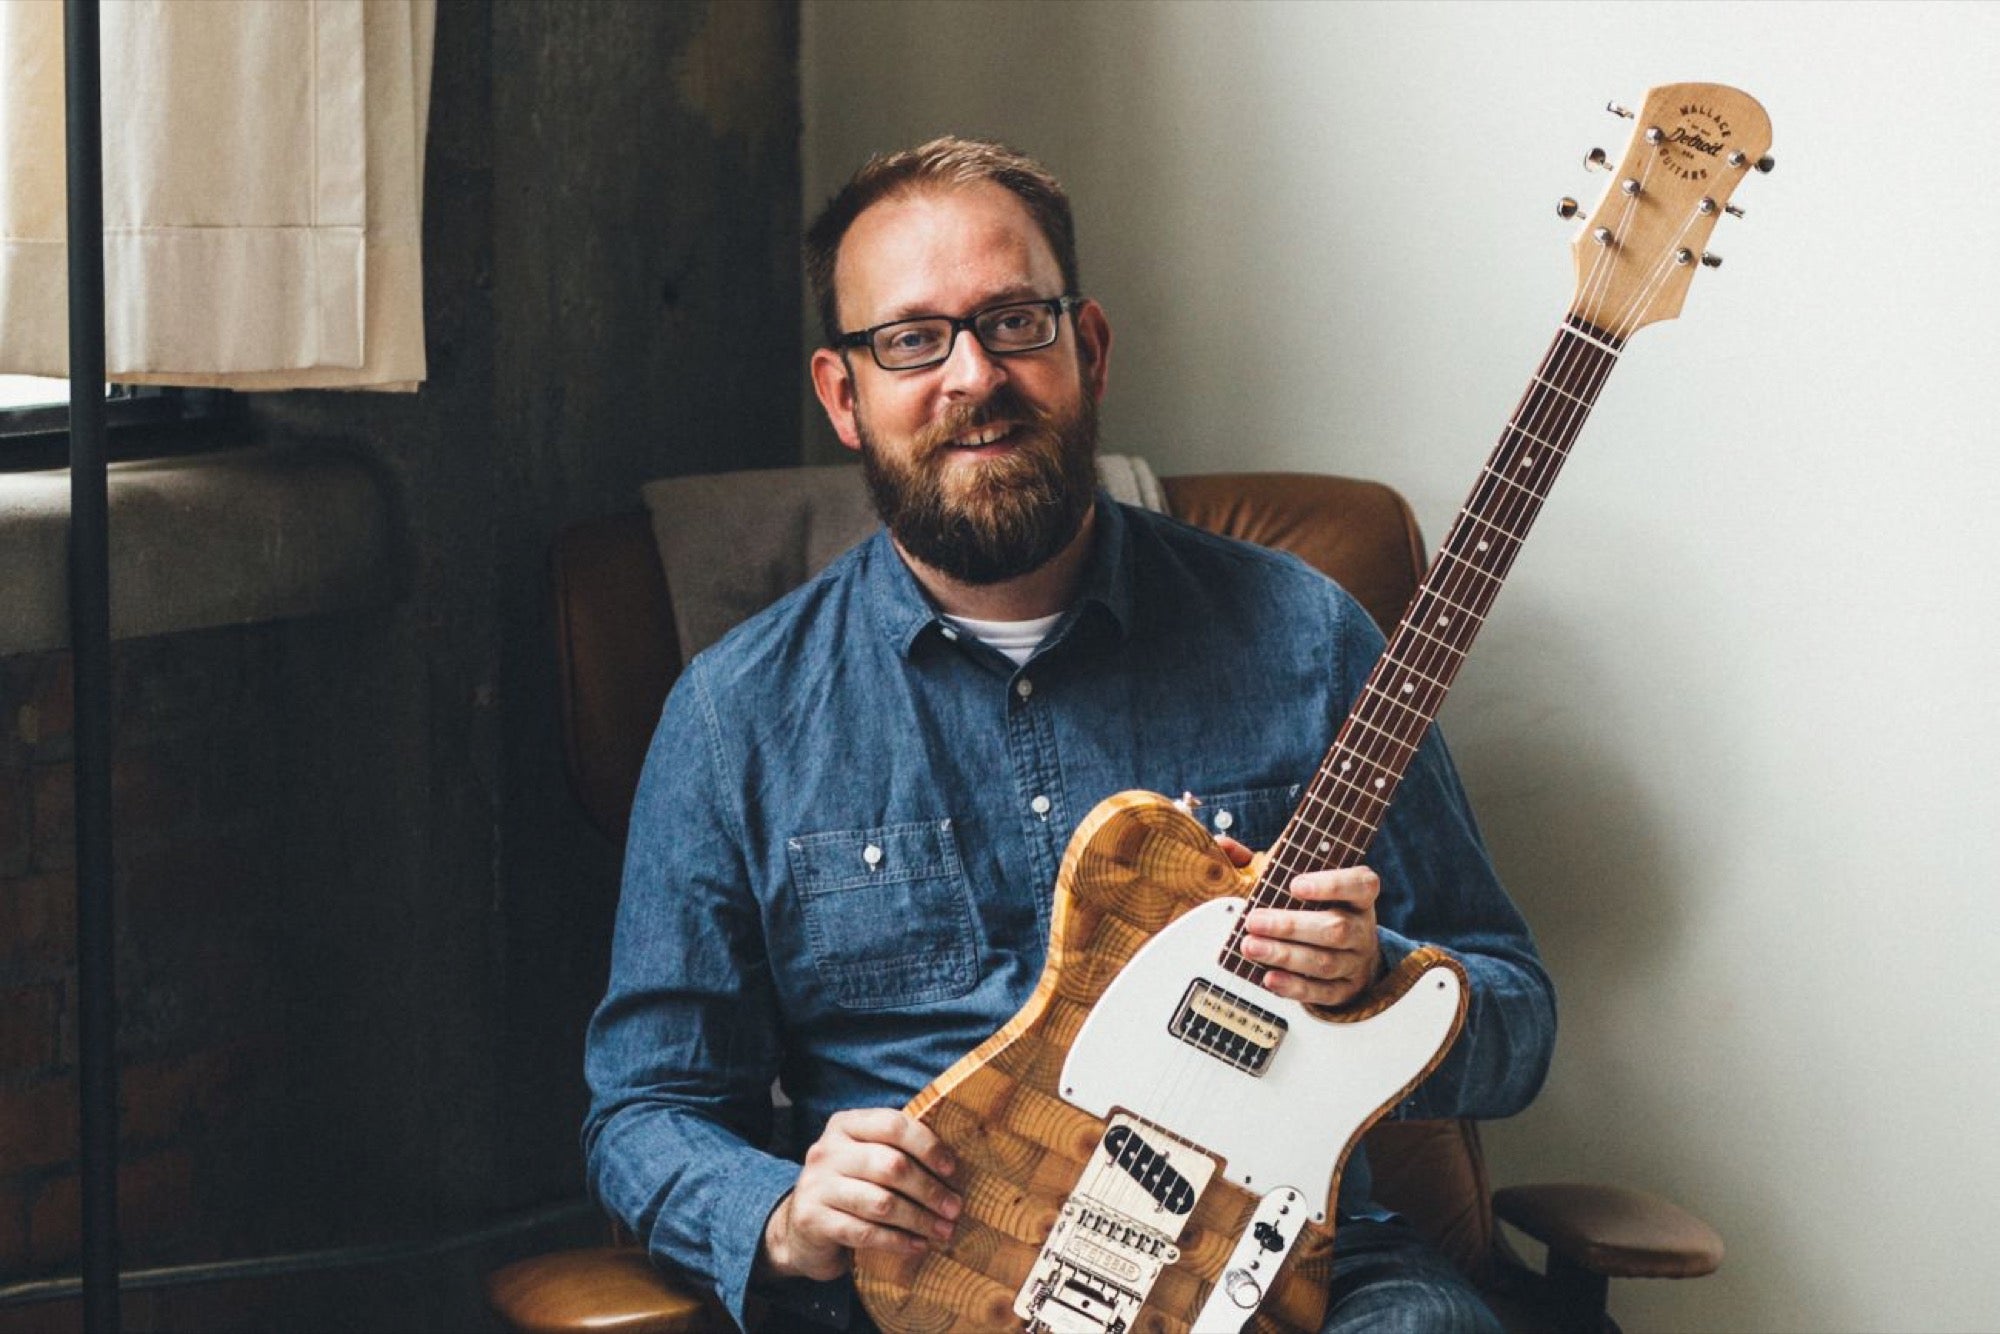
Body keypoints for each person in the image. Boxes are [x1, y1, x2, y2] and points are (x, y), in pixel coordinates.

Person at [584, 137, 1556, 1333]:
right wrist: (781, 1211)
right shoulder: (735, 715)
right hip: (935, 1289)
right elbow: (645, 1105)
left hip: (1290, 1259)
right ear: (844, 395)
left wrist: (1378, 976)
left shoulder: (1304, 635)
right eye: (909, 339)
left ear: (1085, 348)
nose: (971, 374)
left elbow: (1515, 1018)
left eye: (1012, 322)